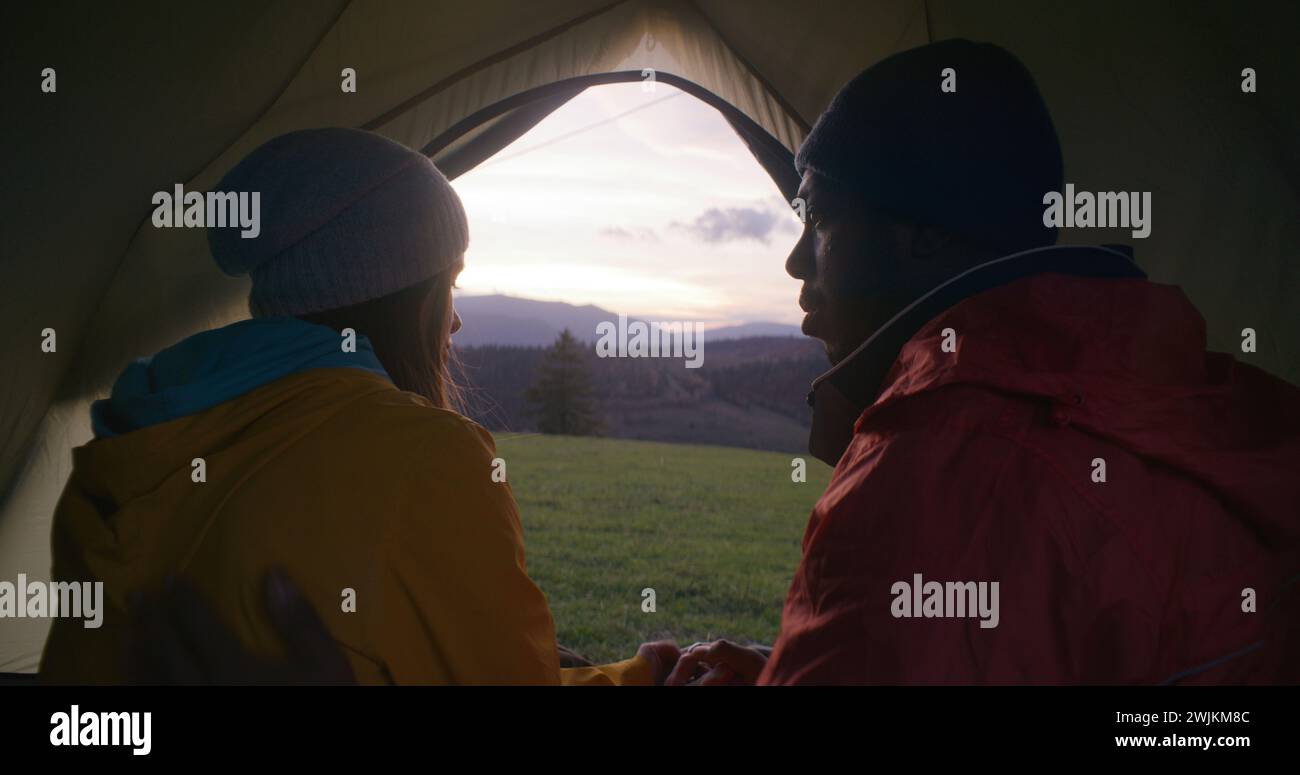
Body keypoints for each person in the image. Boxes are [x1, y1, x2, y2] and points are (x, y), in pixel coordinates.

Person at [121, 40, 1300, 686]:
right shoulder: (1210, 412)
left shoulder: (126, 444)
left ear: (923, 238)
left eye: (818, 219)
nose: (795, 263)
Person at [39, 128, 676, 686]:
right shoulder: (428, 462)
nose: (453, 323)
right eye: (448, 285)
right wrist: (646, 677)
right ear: (401, 298)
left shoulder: (124, 449)